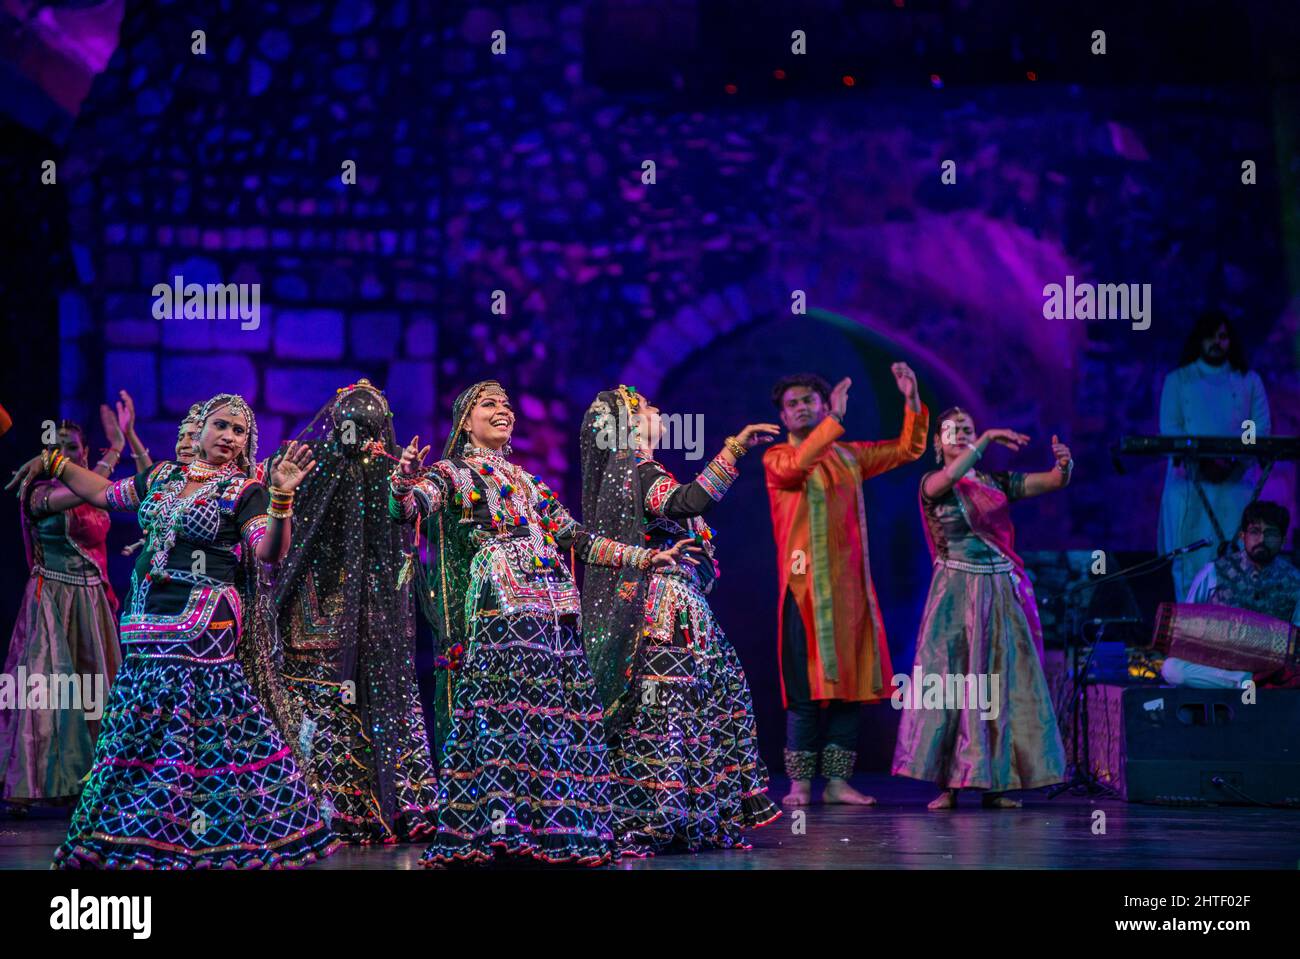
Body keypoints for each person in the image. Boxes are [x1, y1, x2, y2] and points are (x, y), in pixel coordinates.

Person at [388, 380, 697, 866]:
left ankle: (554, 826)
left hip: (553, 604)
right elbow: (407, 510)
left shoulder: (529, 483)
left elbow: (579, 540)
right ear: (465, 422)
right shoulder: (451, 472)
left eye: (507, 404)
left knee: (557, 710)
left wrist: (647, 557)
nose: (503, 410)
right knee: (506, 711)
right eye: (488, 404)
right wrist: (404, 481)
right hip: (501, 601)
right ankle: (500, 825)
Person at [28, 393, 337, 868]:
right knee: (137, 726)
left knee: (204, 727)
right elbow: (101, 494)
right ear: (201, 429)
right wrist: (55, 462)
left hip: (204, 617)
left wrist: (282, 497)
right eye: (222, 426)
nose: (229, 438)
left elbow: (269, 551)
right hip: (145, 617)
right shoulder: (165, 476)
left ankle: (218, 834)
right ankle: (132, 834)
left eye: (239, 431)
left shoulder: (245, 491)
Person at [580, 386, 781, 855]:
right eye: (647, 408)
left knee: (686, 707)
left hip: (678, 610)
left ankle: (685, 816)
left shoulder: (631, 473)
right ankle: (660, 818)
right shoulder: (636, 471)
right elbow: (688, 502)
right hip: (661, 614)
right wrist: (734, 448)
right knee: (669, 710)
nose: (657, 411)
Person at [270, 380, 439, 842]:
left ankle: (334, 808)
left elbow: (409, 511)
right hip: (331, 617)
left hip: (359, 618)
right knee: (330, 708)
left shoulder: (394, 471)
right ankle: (333, 806)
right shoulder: (305, 463)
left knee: (346, 708)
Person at [763, 365, 928, 805]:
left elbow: (907, 451)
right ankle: (799, 783)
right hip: (803, 595)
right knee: (804, 691)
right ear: (782, 417)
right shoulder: (777, 459)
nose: (801, 409)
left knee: (848, 691)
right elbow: (801, 465)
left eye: (808, 401)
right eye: (792, 405)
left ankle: (837, 784)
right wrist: (835, 419)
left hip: (851, 596)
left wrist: (911, 402)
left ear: (821, 404)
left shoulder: (850, 457)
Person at [891, 407, 1069, 809]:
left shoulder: (995, 483)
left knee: (1000, 683)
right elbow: (951, 478)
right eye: (951, 431)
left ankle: (998, 783)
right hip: (954, 592)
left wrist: (1064, 465)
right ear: (938, 442)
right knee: (952, 682)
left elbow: (1053, 482)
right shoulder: (933, 482)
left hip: (1000, 592)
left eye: (966, 430)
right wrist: (985, 438)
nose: (959, 435)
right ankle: (948, 785)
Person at [0, 420, 121, 809]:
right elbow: (83, 493)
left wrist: (123, 442)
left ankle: (96, 780)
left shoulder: (92, 483)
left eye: (70, 448)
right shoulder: (37, 491)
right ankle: (29, 785)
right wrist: (107, 458)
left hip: (91, 601)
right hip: (51, 598)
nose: (62, 456)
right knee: (46, 692)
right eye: (54, 449)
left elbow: (105, 492)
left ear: (84, 452)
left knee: (94, 692)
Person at [1158, 309, 1271, 599]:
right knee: (1189, 561)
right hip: (1190, 485)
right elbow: (1170, 429)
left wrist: (1232, 462)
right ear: (1199, 341)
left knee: (1238, 561)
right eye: (1210, 337)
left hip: (1236, 485)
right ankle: (1187, 632)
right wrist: (1205, 463)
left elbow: (1260, 430)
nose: (1216, 344)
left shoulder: (1249, 381)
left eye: (1222, 337)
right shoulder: (1178, 381)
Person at [1162, 500, 1300, 688]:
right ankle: (1243, 682)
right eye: (1255, 531)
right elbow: (1186, 625)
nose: (1261, 540)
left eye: (1271, 533)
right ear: (1243, 536)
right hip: (1218, 663)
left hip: (1268, 667)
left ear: (1283, 540)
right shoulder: (1214, 572)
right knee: (1172, 669)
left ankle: (1249, 681)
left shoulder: (1294, 580)